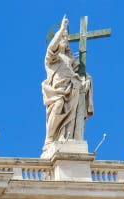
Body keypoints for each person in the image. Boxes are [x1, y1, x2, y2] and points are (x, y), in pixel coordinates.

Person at [41, 16, 93, 157]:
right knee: (58, 105)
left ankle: (66, 137)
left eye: (66, 37)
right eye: (62, 37)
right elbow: (51, 48)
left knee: (72, 112)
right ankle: (50, 139)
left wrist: (85, 79)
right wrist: (62, 29)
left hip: (71, 89)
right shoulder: (52, 58)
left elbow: (80, 73)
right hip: (57, 91)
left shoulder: (69, 59)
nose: (65, 39)